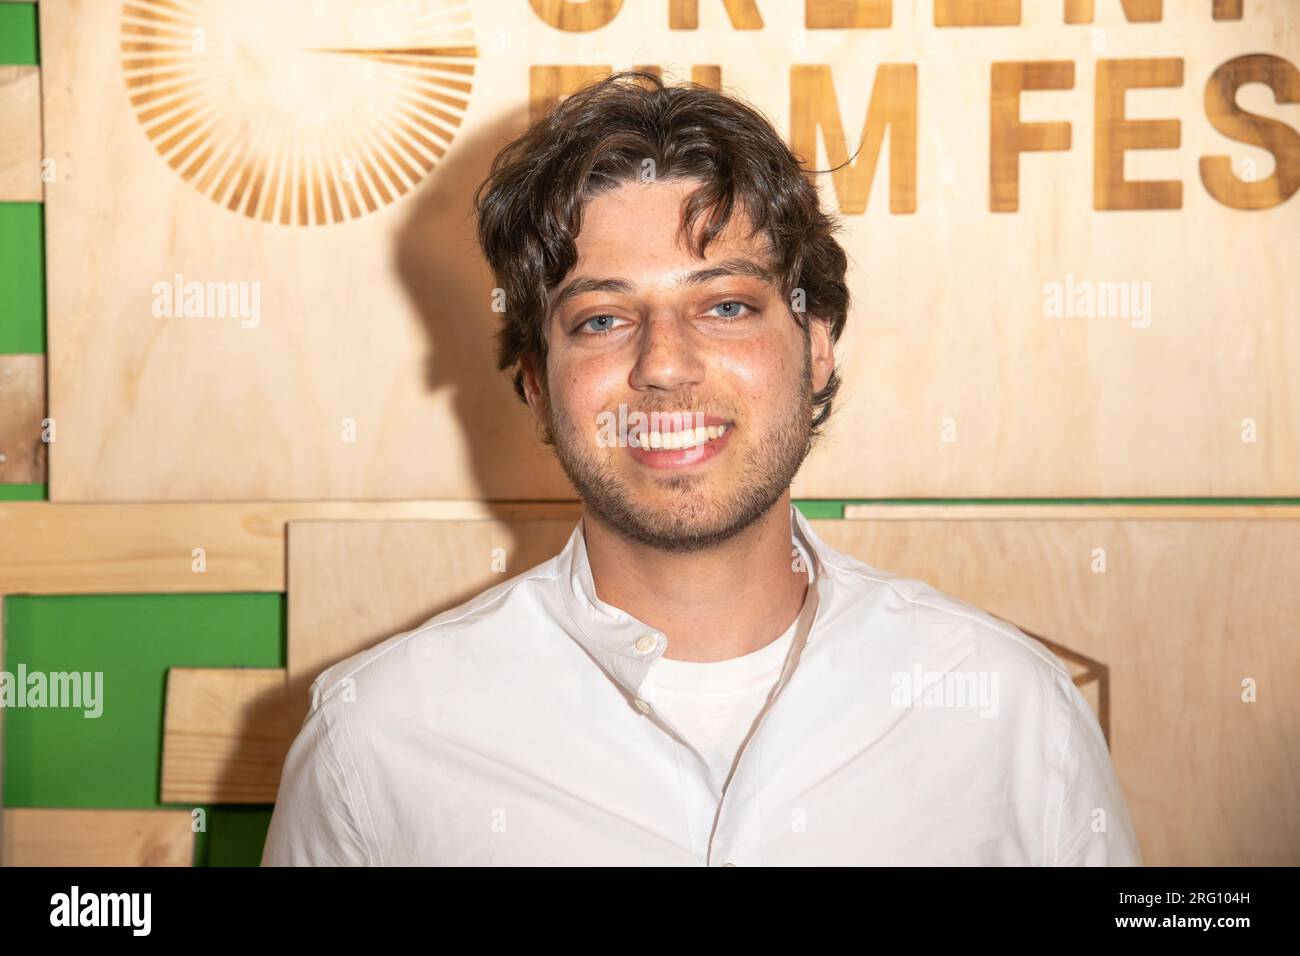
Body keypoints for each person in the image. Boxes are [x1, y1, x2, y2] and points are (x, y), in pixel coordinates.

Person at [261, 70, 1141, 866]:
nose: (666, 364)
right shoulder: (376, 741)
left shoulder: (1010, 714)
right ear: (536, 383)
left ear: (817, 348)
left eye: (724, 305)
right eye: (602, 319)